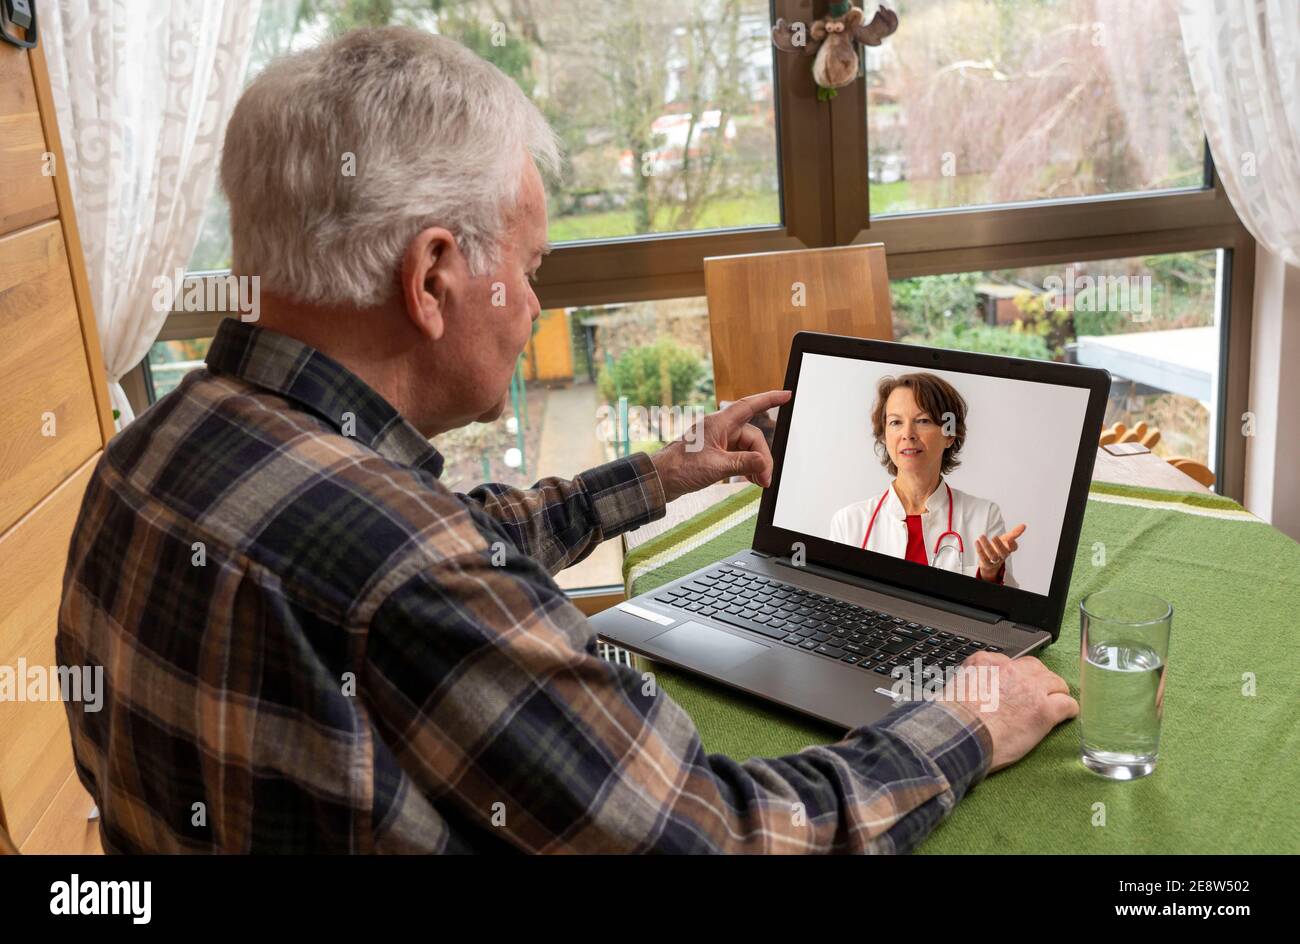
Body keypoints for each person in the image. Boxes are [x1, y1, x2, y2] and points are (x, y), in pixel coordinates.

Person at [57, 27, 1076, 854]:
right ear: (433, 276)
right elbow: (718, 836)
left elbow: (430, 541)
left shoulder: (151, 453)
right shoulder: (412, 573)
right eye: (533, 268)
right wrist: (968, 721)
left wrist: (662, 473)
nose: (538, 304)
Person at [831, 372, 1026, 588]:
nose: (908, 434)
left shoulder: (984, 516)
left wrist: (990, 576)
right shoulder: (849, 522)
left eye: (923, 421)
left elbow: (1004, 615)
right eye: (895, 422)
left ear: (950, 435)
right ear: (884, 436)